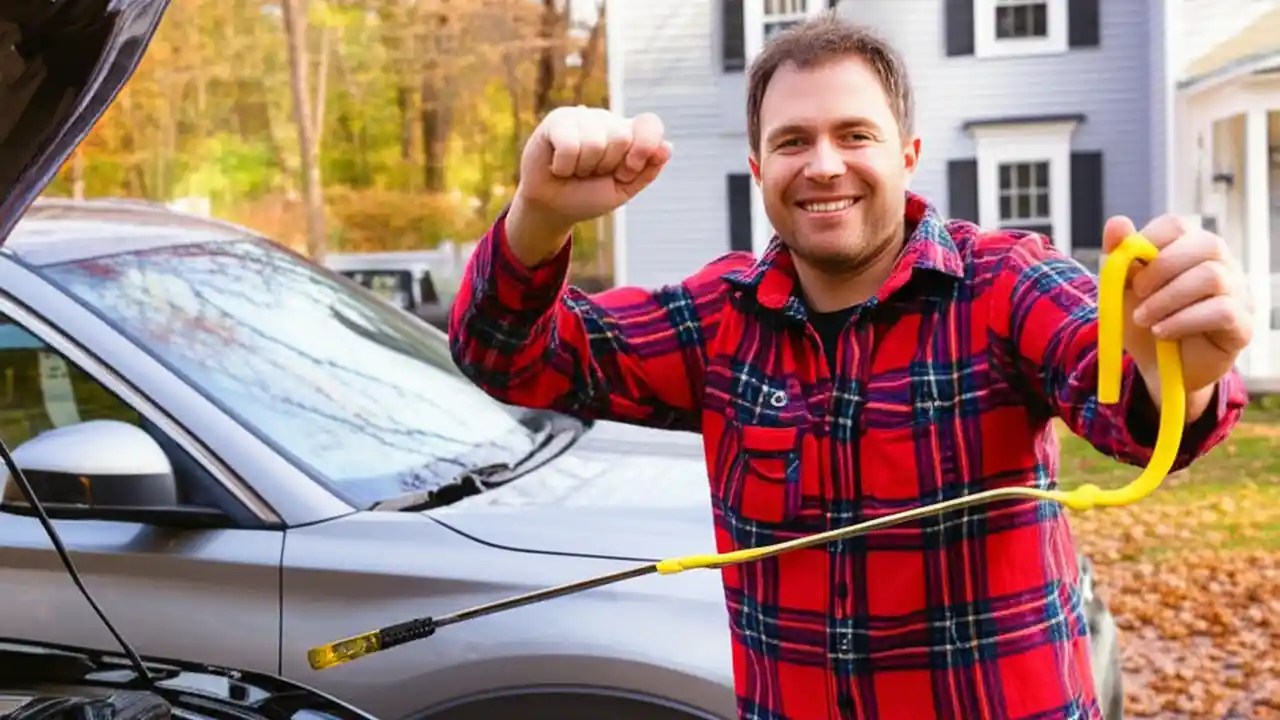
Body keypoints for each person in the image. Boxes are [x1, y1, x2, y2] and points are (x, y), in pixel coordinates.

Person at [448, 13, 1253, 720]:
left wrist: (1180, 366)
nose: (824, 165)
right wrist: (540, 216)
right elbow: (508, 358)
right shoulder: (719, 319)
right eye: (792, 142)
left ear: (907, 154)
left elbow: (1134, 412)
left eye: (854, 135)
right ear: (760, 171)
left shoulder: (1006, 284)